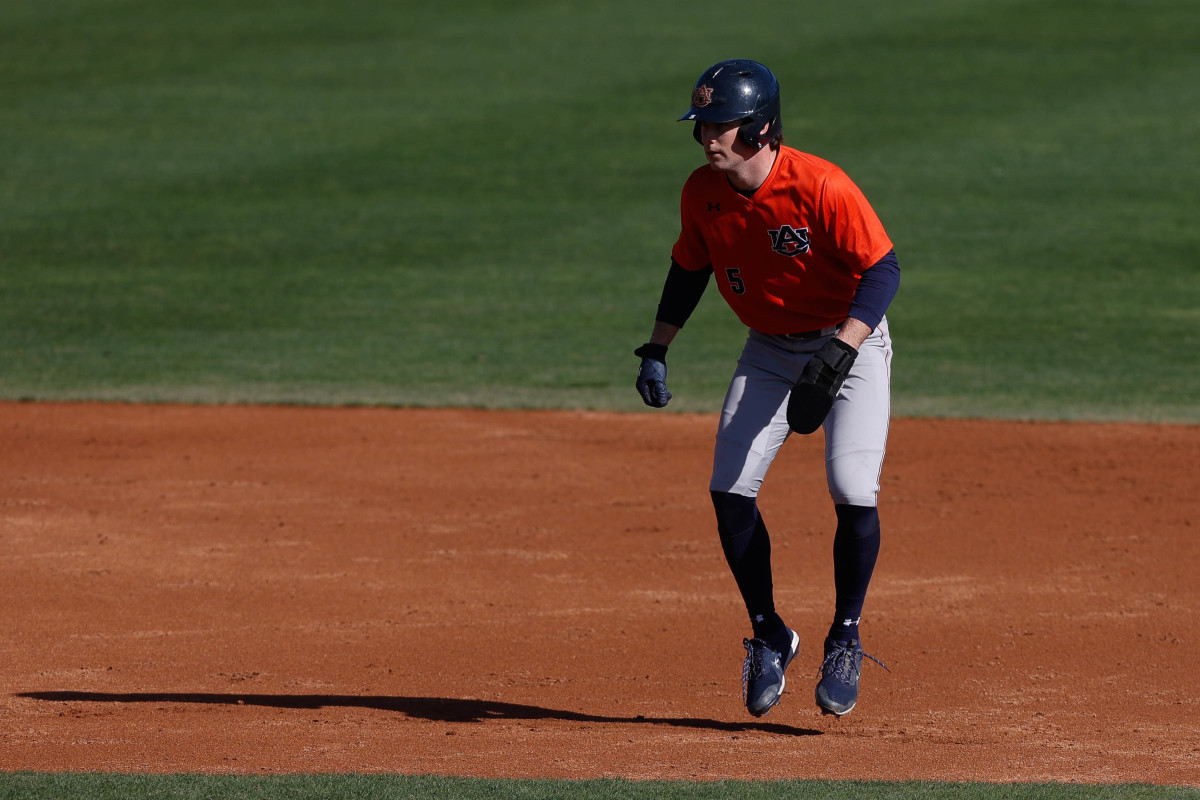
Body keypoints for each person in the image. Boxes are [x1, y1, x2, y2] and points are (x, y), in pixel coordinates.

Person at [634, 59, 900, 718]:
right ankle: (770, 634)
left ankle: (845, 636)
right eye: (702, 128)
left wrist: (843, 349)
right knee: (728, 491)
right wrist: (658, 348)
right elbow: (688, 268)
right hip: (768, 352)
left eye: (720, 126)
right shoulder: (703, 191)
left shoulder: (821, 185)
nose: (708, 140)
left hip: (851, 346)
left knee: (853, 489)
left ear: (760, 127)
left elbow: (882, 270)